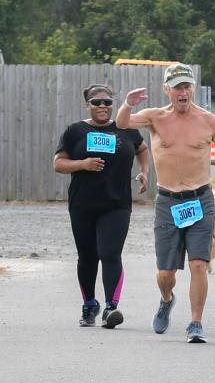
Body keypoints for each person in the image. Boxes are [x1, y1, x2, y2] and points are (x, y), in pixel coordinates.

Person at [117, 63, 215, 343]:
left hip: (200, 200)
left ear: (193, 89)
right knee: (166, 273)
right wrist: (128, 104)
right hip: (167, 201)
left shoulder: (209, 120)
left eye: (187, 86)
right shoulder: (154, 118)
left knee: (199, 264)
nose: (183, 92)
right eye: (177, 87)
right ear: (167, 90)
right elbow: (122, 123)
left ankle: (195, 323)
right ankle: (166, 299)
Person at [54, 83, 150, 329]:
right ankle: (89, 305)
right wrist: (82, 164)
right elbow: (58, 163)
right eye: (96, 102)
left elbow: (142, 149)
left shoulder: (125, 128)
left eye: (107, 102)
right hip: (82, 204)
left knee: (109, 253)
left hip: (116, 204)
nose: (103, 106)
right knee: (87, 257)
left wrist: (144, 172)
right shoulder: (75, 131)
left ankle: (111, 308)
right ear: (88, 105)